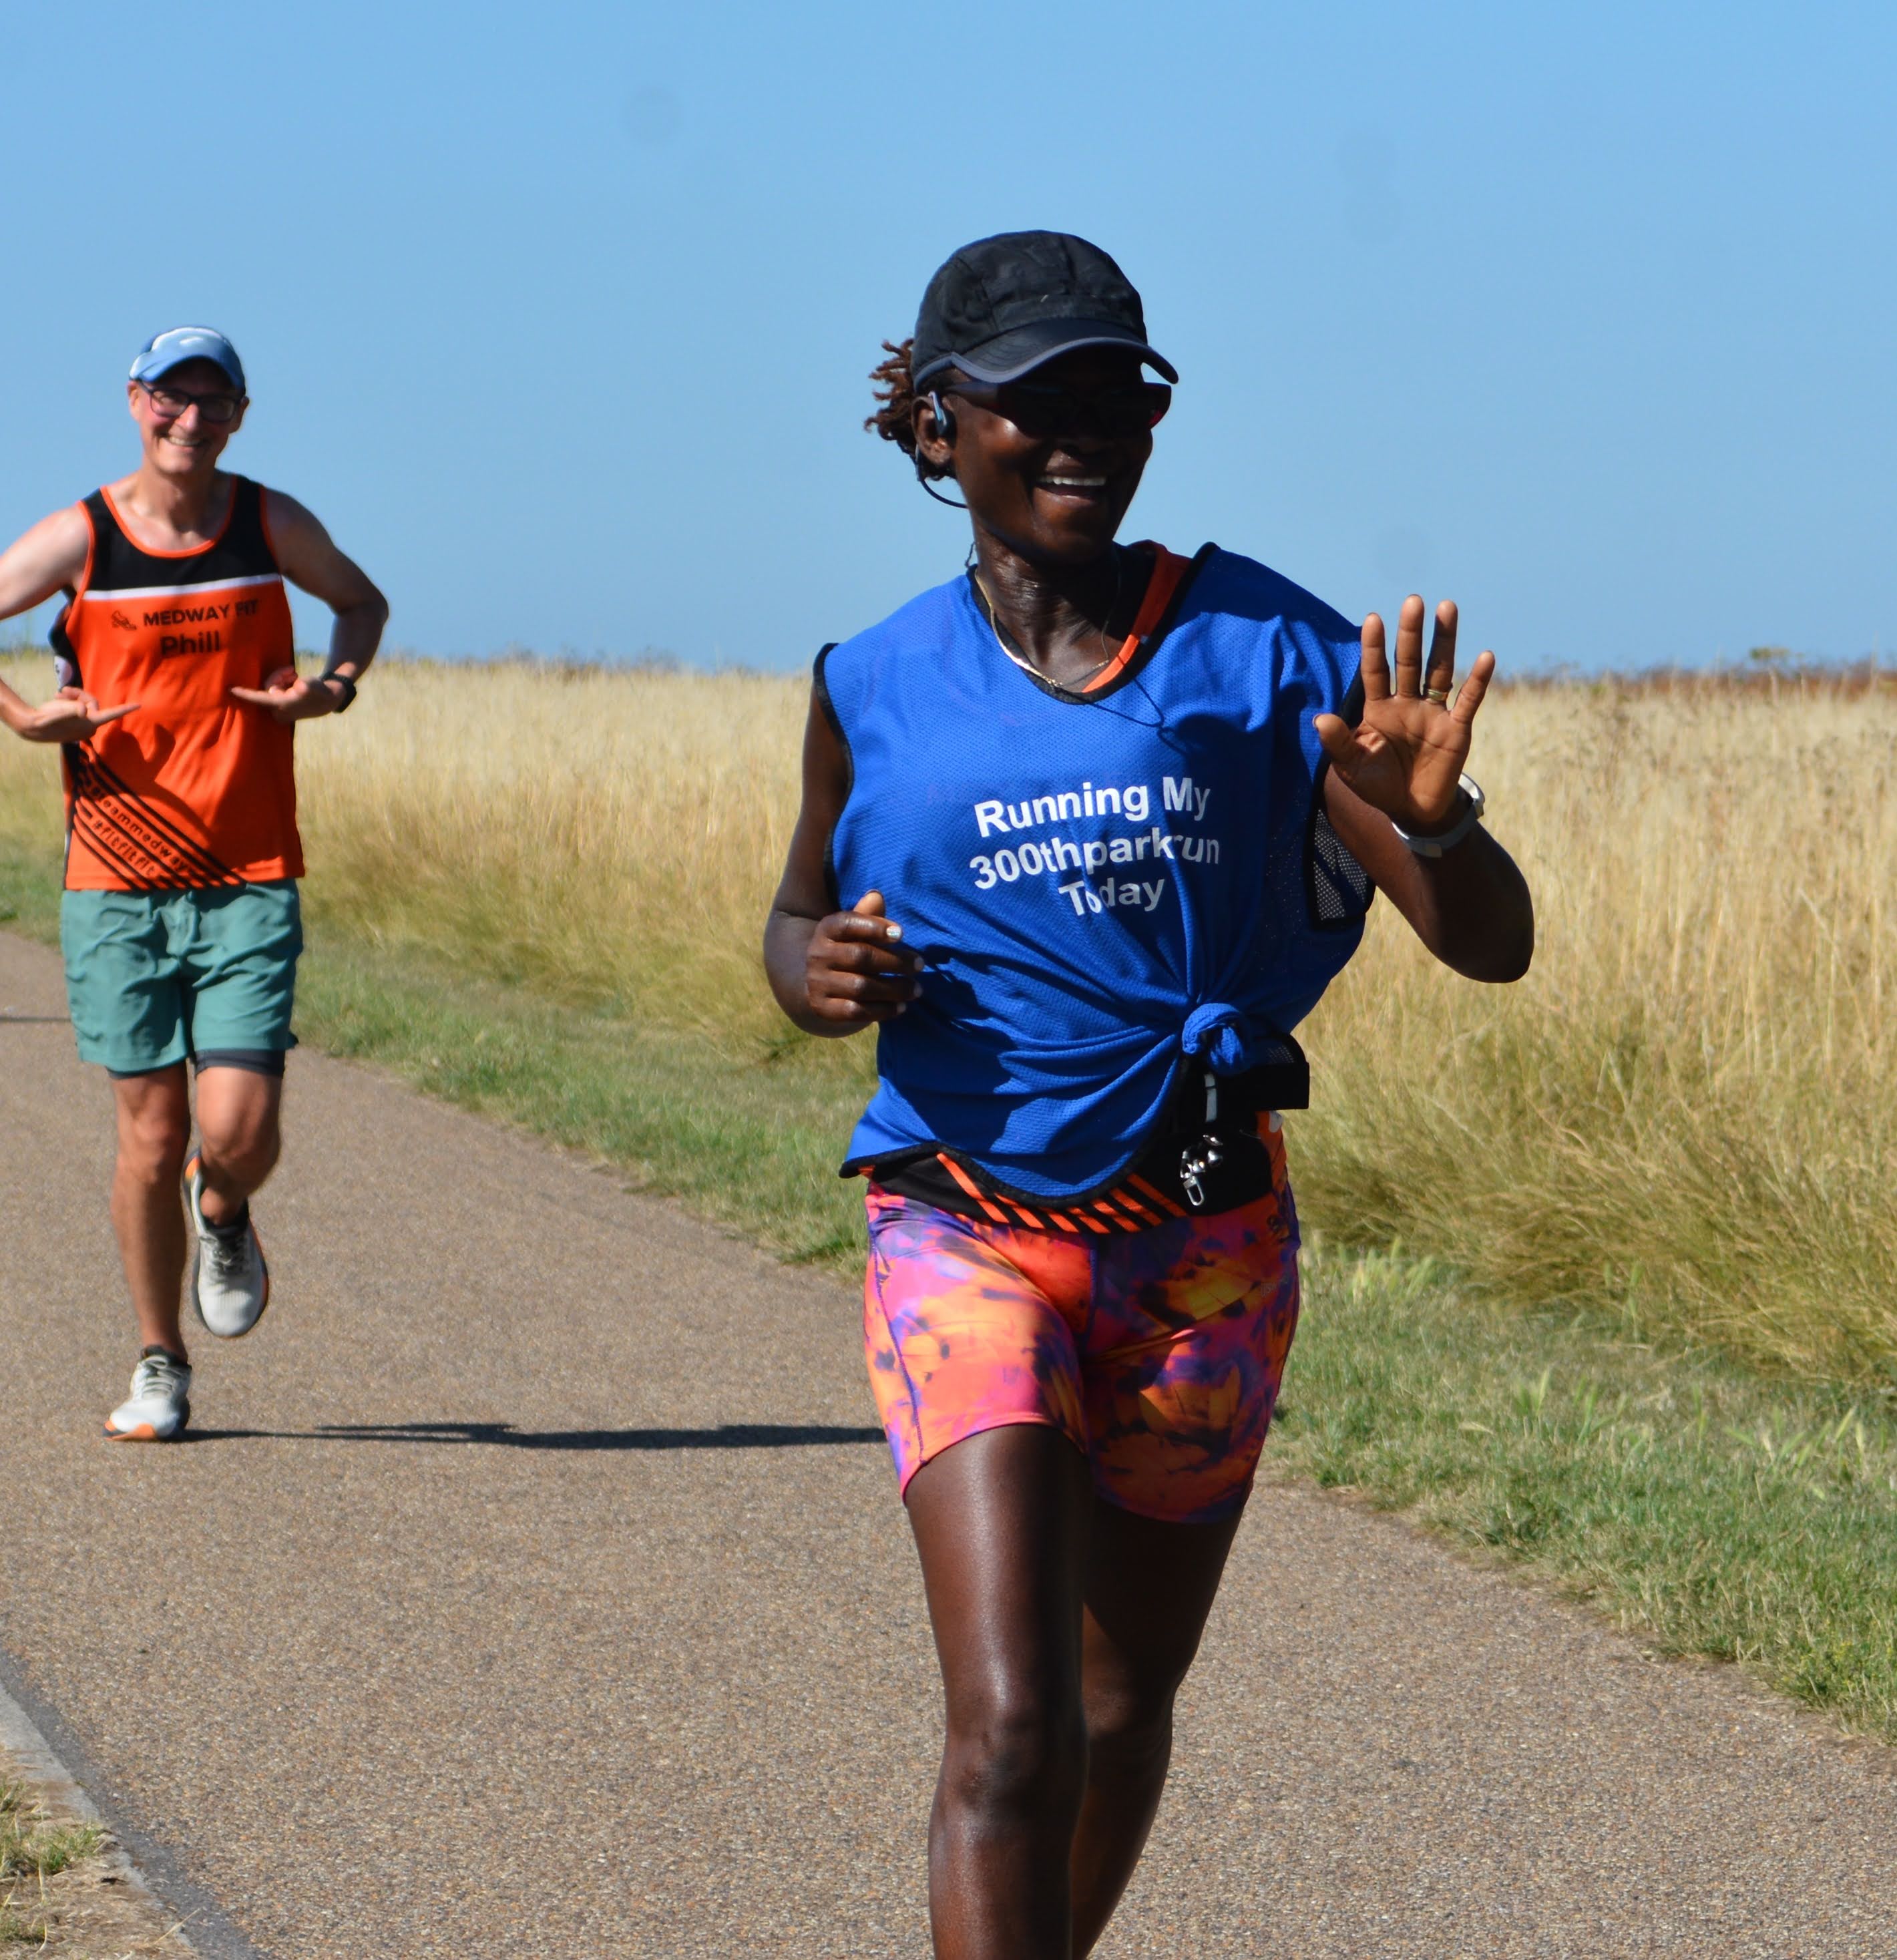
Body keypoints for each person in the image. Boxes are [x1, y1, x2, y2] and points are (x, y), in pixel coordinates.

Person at [764, 232, 1534, 1957]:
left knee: (1116, 1715)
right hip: (962, 1233)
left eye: (1121, 391)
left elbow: (1490, 944)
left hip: (1202, 1258)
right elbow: (799, 907)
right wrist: (809, 972)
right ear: (938, 427)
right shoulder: (868, 679)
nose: (1084, 432)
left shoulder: (1263, 649)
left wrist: (1433, 816)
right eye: (1037, 400)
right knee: (1014, 1723)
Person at [0, 326, 387, 1442]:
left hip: (248, 872)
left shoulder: (270, 523)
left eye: (213, 402)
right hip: (114, 879)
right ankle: (158, 1361)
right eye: (172, 398)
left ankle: (227, 1212)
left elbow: (362, 604)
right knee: (150, 1135)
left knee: (238, 1131)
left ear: (239, 416)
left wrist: (335, 688)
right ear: (135, 402)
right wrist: (30, 718)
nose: (191, 419)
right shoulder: (84, 534)